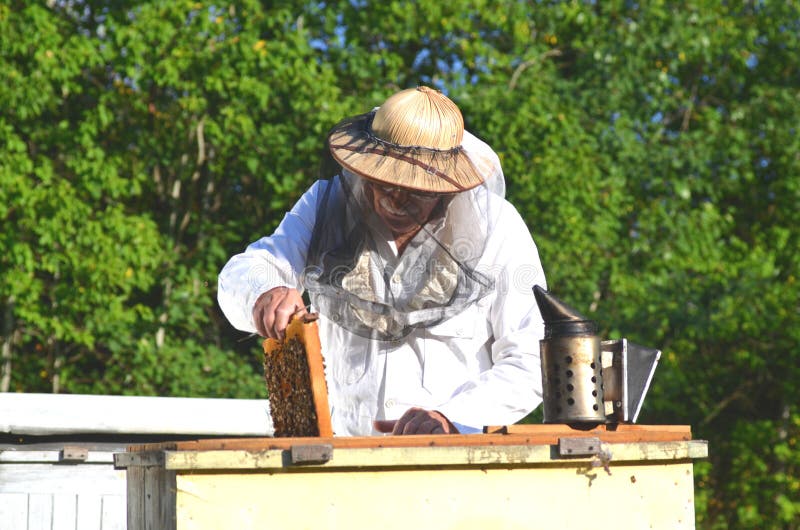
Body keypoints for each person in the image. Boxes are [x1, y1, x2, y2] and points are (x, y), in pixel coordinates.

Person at [218, 86, 547, 436]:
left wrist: (453, 417)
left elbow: (531, 358)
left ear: (448, 187)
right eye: (385, 182)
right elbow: (250, 267)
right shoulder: (324, 206)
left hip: (453, 469)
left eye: (416, 189)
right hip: (339, 467)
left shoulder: (497, 228)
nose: (396, 199)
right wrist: (265, 290)